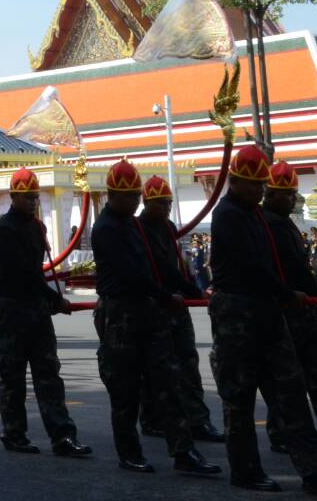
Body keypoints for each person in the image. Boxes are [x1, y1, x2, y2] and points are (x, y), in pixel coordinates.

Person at [209, 145, 317, 496]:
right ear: (236, 181)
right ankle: (245, 470)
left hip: (267, 312)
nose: (260, 191)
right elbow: (253, 267)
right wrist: (289, 293)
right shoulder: (228, 214)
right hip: (238, 315)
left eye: (263, 186)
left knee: (290, 395)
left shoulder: (253, 213)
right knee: (239, 399)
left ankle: (316, 472)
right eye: (255, 185)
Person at [90, 159, 221, 476]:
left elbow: (160, 264)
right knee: (125, 391)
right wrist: (167, 297)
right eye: (130, 197)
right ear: (112, 195)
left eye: (137, 196)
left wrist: (192, 290)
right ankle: (129, 453)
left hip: (148, 312)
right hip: (121, 314)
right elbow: (132, 274)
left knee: (169, 383)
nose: (136, 202)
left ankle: (184, 451)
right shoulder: (105, 228)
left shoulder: (133, 225)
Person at [0, 167, 90, 458]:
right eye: (28, 197)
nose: (33, 202)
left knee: (49, 376)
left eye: (35, 197)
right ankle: (14, 433)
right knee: (13, 377)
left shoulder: (35, 227)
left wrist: (50, 300)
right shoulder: (4, 229)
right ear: (14, 197)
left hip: (34, 308)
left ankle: (62, 436)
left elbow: (36, 274)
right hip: (12, 309)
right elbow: (23, 273)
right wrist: (55, 299)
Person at [262, 161, 317, 457]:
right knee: (295, 378)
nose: (291, 200)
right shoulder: (267, 224)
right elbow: (283, 270)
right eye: (285, 195)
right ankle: (300, 434)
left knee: (310, 376)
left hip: (300, 308)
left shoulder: (281, 223)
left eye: (293, 195)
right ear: (269, 194)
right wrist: (313, 291)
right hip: (288, 310)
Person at [135, 174, 224, 444]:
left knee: (187, 363)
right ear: (146, 202)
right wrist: (192, 291)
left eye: (169, 203)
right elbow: (160, 267)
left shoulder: (169, 227)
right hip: (154, 304)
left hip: (175, 304)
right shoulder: (138, 229)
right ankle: (152, 418)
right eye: (160, 203)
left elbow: (176, 265)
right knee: (154, 369)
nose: (165, 208)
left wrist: (192, 290)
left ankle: (197, 420)